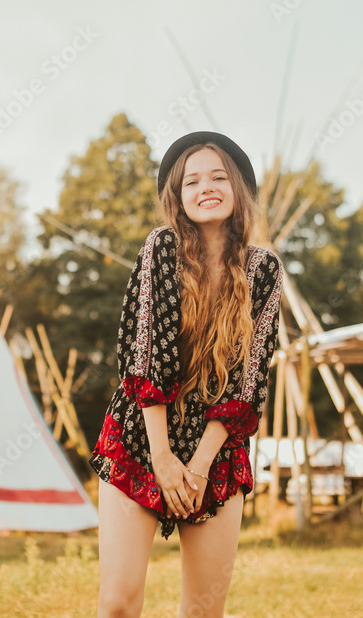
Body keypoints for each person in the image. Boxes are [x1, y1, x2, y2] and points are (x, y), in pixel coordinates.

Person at [89, 131, 284, 617]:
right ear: (178, 197)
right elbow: (145, 357)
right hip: (141, 435)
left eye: (218, 176)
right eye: (191, 181)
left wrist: (196, 466)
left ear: (237, 188)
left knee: (203, 611)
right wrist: (163, 458)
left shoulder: (264, 270)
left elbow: (249, 378)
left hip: (214, 451)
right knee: (117, 603)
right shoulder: (162, 249)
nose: (206, 187)